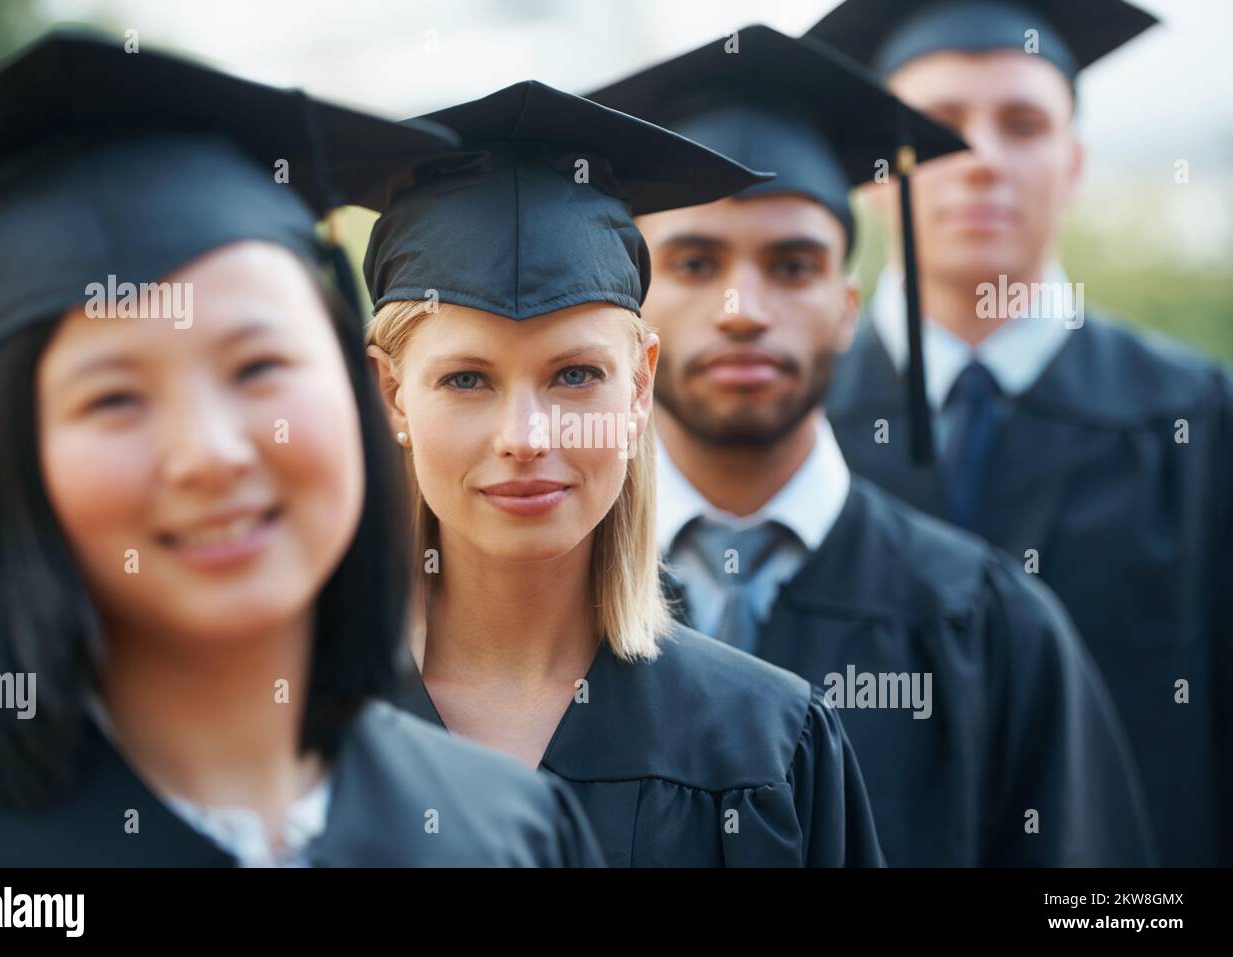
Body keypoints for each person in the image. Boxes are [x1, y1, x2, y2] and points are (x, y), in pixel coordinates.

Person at [0, 31, 604, 867]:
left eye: (258, 366)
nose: (210, 453)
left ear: (361, 390)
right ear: (15, 456)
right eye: (114, 398)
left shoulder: (503, 832)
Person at [588, 23, 1155, 865]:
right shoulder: (547, 610)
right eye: (697, 263)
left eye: (792, 266)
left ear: (848, 310)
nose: (743, 308)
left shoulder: (986, 623)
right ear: (632, 317)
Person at [363, 78, 884, 866]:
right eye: (465, 379)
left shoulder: (770, 748)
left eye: (575, 375)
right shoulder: (288, 734)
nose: (524, 437)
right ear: (392, 393)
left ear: (641, 383)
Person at [807, 0, 1233, 866]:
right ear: (877, 173)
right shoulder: (788, 421)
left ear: (1073, 164)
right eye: (940, 125)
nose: (983, 159)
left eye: (1024, 123)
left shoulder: (1196, 419)